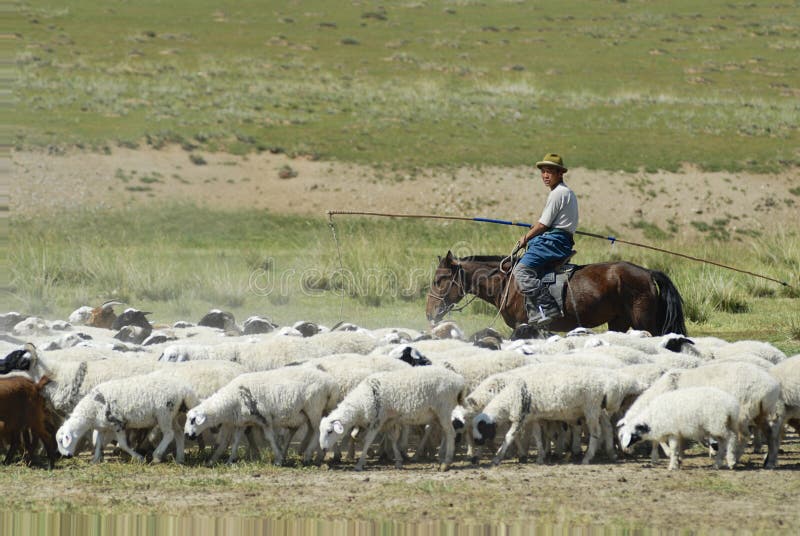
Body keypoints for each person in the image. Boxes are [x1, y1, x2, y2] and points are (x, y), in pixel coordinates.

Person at [513, 153, 579, 328]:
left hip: (554, 242)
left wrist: (524, 239)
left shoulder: (558, 194)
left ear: (560, 173)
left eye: (550, 171)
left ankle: (547, 307)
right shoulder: (567, 192)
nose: (545, 175)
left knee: (521, 271)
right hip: (558, 238)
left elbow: (542, 225)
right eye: (543, 171)